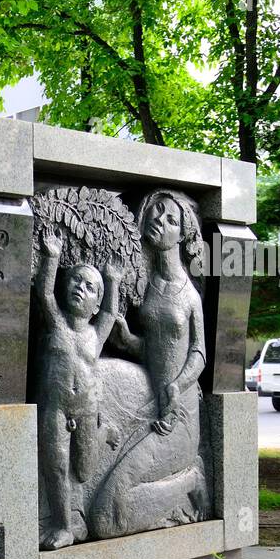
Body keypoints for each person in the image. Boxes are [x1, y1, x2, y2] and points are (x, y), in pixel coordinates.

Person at [88, 189, 208, 539]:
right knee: (107, 505)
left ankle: (191, 477)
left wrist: (178, 385)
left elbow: (198, 353)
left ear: (182, 235)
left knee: (109, 516)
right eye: (156, 212)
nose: (160, 220)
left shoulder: (190, 295)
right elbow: (158, 350)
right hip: (145, 407)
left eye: (171, 219)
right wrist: (128, 342)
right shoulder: (150, 285)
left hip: (176, 418)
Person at [35, 226, 122, 549]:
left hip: (87, 410)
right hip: (55, 408)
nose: (80, 289)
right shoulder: (56, 322)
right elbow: (43, 294)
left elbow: (112, 312)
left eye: (90, 287)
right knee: (56, 466)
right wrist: (52, 256)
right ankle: (64, 526)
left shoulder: (95, 334)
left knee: (84, 471)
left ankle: (104, 432)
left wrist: (112, 280)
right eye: (76, 281)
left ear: (96, 303)